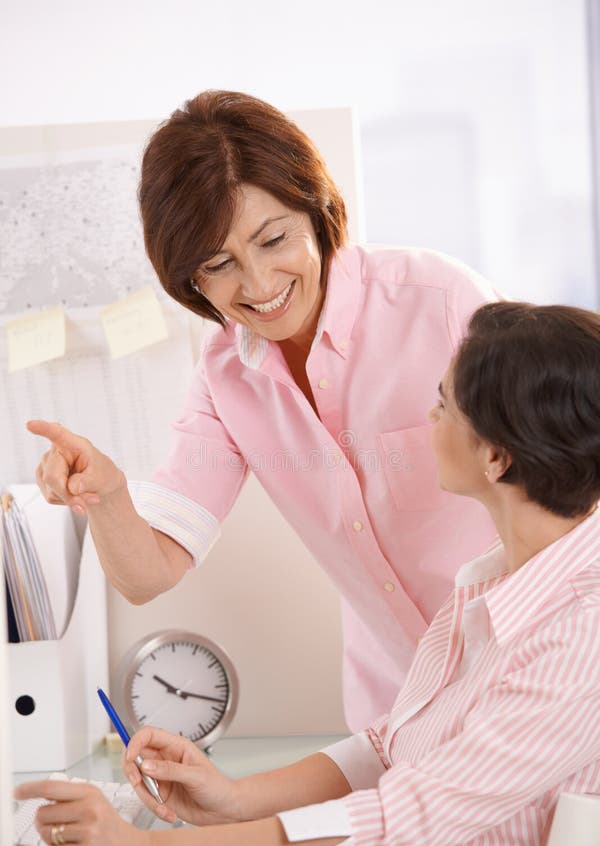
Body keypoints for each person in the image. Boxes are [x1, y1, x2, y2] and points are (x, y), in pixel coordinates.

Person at [17, 300, 600, 846]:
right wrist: (235, 797)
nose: (430, 416)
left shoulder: (580, 638)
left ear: (497, 458)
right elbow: (390, 746)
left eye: (444, 405)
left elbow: (399, 822)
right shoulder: (494, 580)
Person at [28, 90, 500, 732]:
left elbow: (572, 488)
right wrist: (108, 496)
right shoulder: (226, 378)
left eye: (273, 239)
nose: (257, 286)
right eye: (218, 265)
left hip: (526, 678)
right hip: (398, 711)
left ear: (316, 208)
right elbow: (150, 572)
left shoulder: (441, 302)